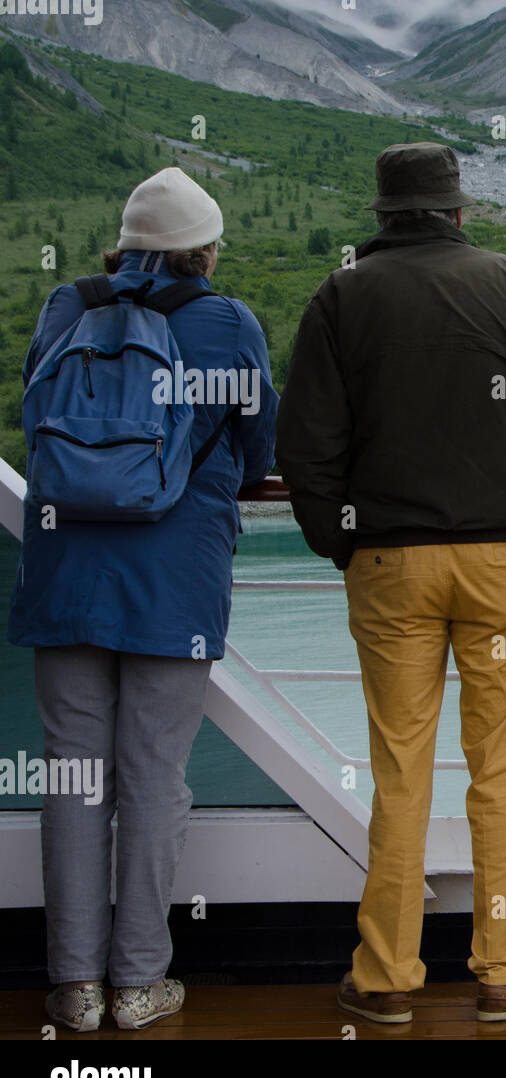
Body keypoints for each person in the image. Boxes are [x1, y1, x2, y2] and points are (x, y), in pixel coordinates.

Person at [277, 143, 506, 1024]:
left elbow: (305, 447)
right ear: (459, 213)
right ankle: (501, 973)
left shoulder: (342, 296)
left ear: (384, 218)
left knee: (400, 772)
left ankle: (385, 977)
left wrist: (341, 544)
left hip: (388, 565)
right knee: (500, 772)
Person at [10, 167, 278, 1031]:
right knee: (155, 780)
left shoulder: (65, 307)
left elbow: (35, 417)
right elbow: (261, 444)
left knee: (74, 778)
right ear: (203, 249)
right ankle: (138, 983)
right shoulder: (228, 323)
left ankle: (75, 988)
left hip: (66, 576)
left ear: (126, 244)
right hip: (175, 581)